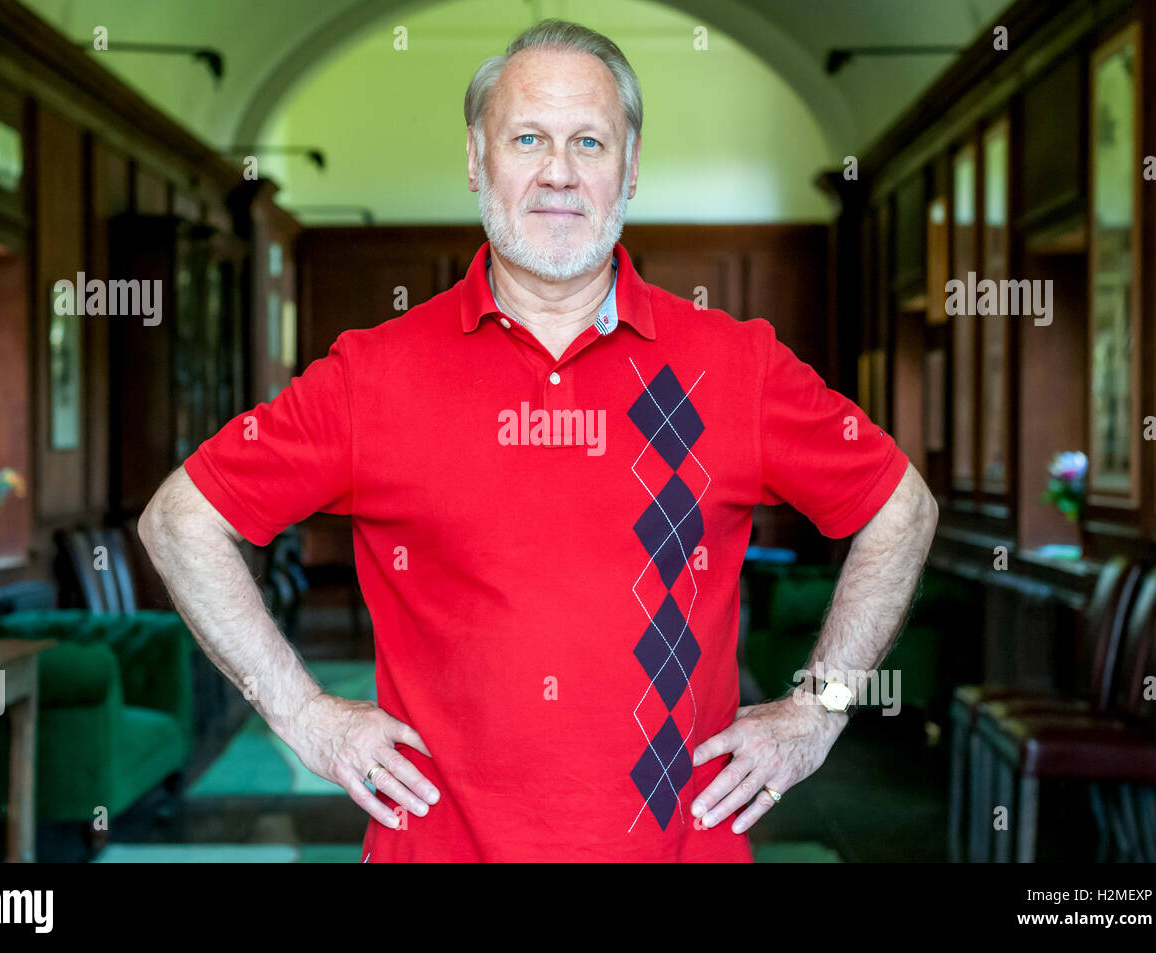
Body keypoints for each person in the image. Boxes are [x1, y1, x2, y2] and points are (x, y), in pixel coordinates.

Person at [138, 18, 939, 862]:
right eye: (528, 138)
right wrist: (301, 711)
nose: (558, 172)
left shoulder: (735, 365)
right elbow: (179, 521)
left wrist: (818, 709)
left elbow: (902, 508)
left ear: (629, 169)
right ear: (478, 162)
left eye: (589, 142)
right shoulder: (370, 376)